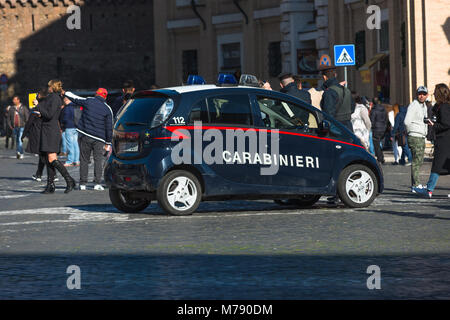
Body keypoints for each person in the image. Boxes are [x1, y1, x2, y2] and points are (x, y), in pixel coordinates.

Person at [64, 88, 113, 191]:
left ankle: (82, 184)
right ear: (105, 96)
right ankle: (97, 183)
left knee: (84, 160)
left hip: (85, 135)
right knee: (98, 160)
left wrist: (65, 92)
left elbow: (75, 98)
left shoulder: (89, 101)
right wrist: (108, 143)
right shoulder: (107, 108)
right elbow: (109, 127)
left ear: (96, 94)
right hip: (99, 138)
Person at [35, 80, 76, 194]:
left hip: (51, 131)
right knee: (48, 160)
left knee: (52, 159)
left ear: (52, 87)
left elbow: (49, 114)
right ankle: (50, 185)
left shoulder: (54, 98)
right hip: (48, 129)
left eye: (49, 86)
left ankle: (69, 180)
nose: (47, 88)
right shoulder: (52, 97)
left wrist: (38, 106)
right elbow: (47, 114)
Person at [414, 84, 450, 198]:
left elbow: (446, 123)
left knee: (437, 165)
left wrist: (433, 125)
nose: (433, 93)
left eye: (435, 91)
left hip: (444, 140)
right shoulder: (443, 106)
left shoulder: (444, 107)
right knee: (443, 165)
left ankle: (429, 189)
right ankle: (429, 189)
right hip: (445, 139)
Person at [404, 86, 429, 192]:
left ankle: (414, 185)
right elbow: (406, 121)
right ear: (416, 94)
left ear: (427, 95)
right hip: (415, 136)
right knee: (416, 161)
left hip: (421, 136)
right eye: (420, 94)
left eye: (424, 94)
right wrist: (412, 131)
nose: (421, 96)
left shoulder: (424, 106)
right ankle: (416, 184)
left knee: (418, 161)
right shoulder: (413, 105)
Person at [319, 67, 355, 132]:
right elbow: (352, 108)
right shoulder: (347, 90)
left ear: (324, 77)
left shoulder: (329, 92)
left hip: (336, 129)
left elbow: (328, 114)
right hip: (349, 128)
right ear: (335, 75)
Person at [60, 97, 80, 167]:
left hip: (69, 127)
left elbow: (64, 118)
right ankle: (76, 160)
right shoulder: (76, 106)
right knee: (75, 144)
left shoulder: (67, 108)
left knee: (70, 145)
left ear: (66, 100)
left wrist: (62, 125)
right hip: (76, 127)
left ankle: (70, 161)